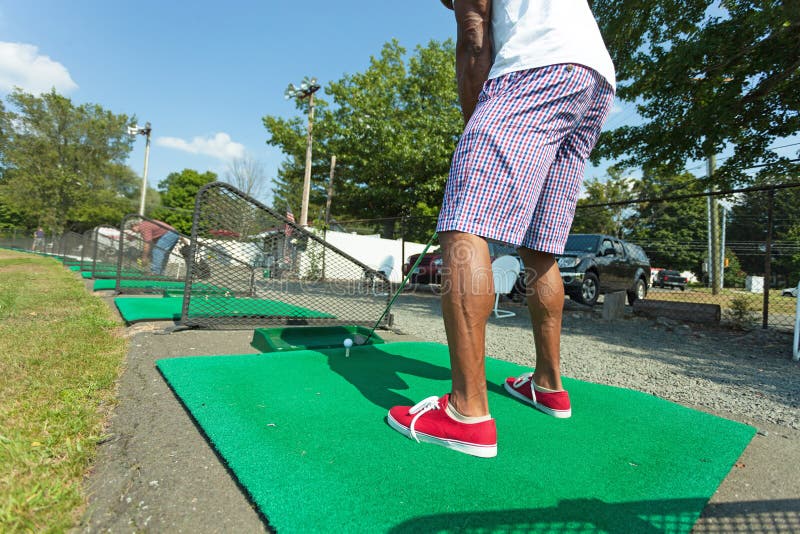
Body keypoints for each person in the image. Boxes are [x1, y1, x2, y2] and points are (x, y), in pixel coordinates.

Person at [387, 0, 616, 457]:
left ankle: (465, 413)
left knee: (464, 221)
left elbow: (474, 39)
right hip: (595, 78)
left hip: (536, 66)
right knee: (541, 245)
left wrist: (477, 127)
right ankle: (548, 385)